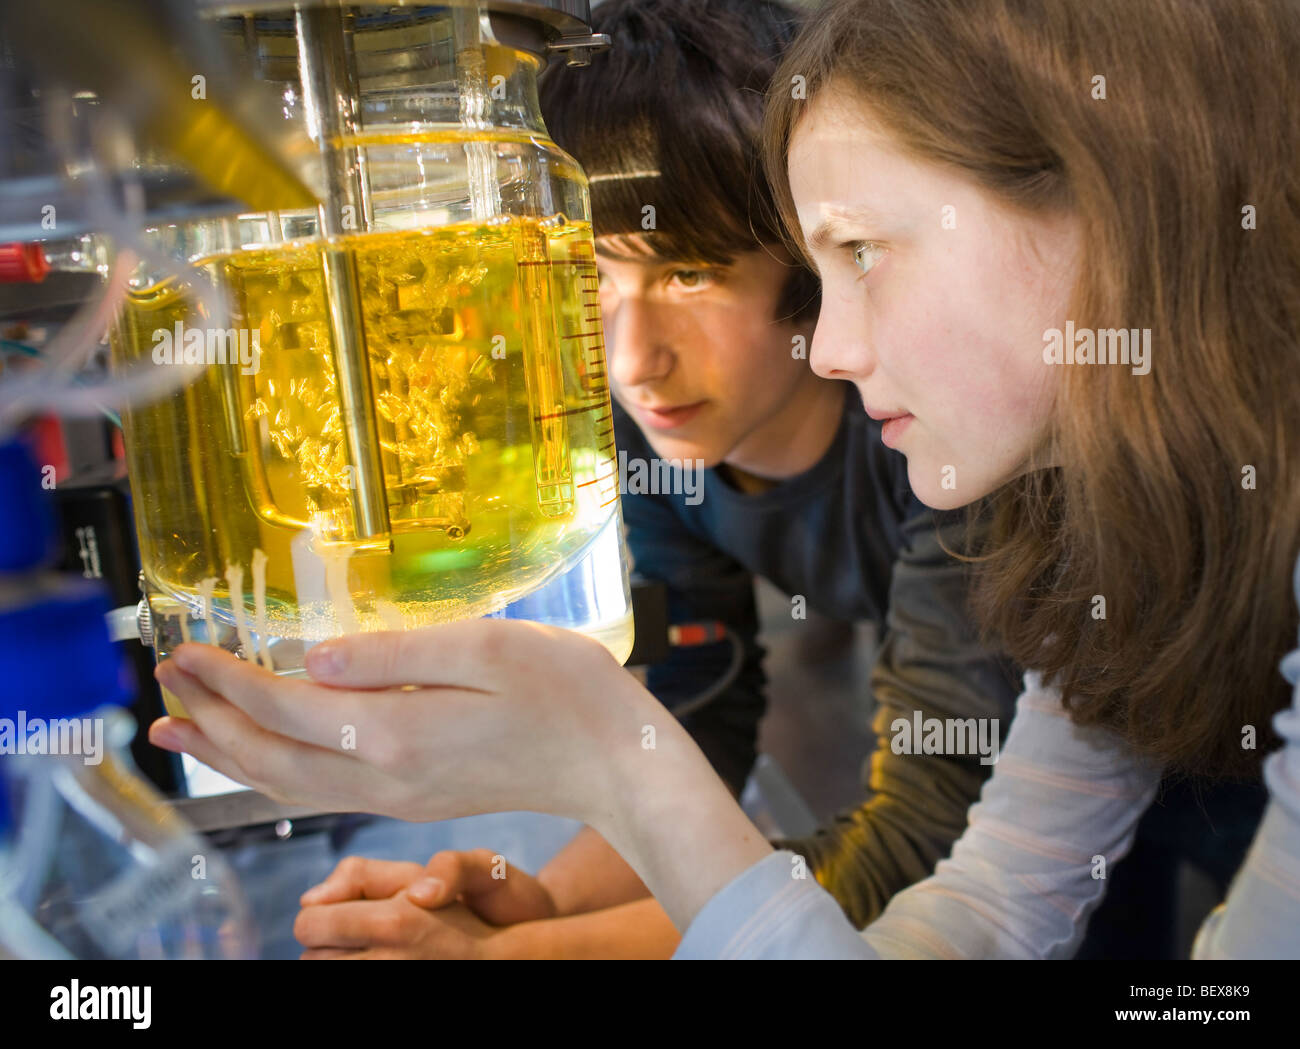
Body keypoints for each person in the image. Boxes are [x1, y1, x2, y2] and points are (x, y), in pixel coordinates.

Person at [148, 0, 1300, 958]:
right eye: (591, 290)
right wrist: (559, 882)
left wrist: (609, 783)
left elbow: (916, 845)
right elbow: (987, 906)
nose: (836, 350)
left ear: (1117, 201)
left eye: (861, 252)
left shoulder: (978, 482)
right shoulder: (1085, 521)